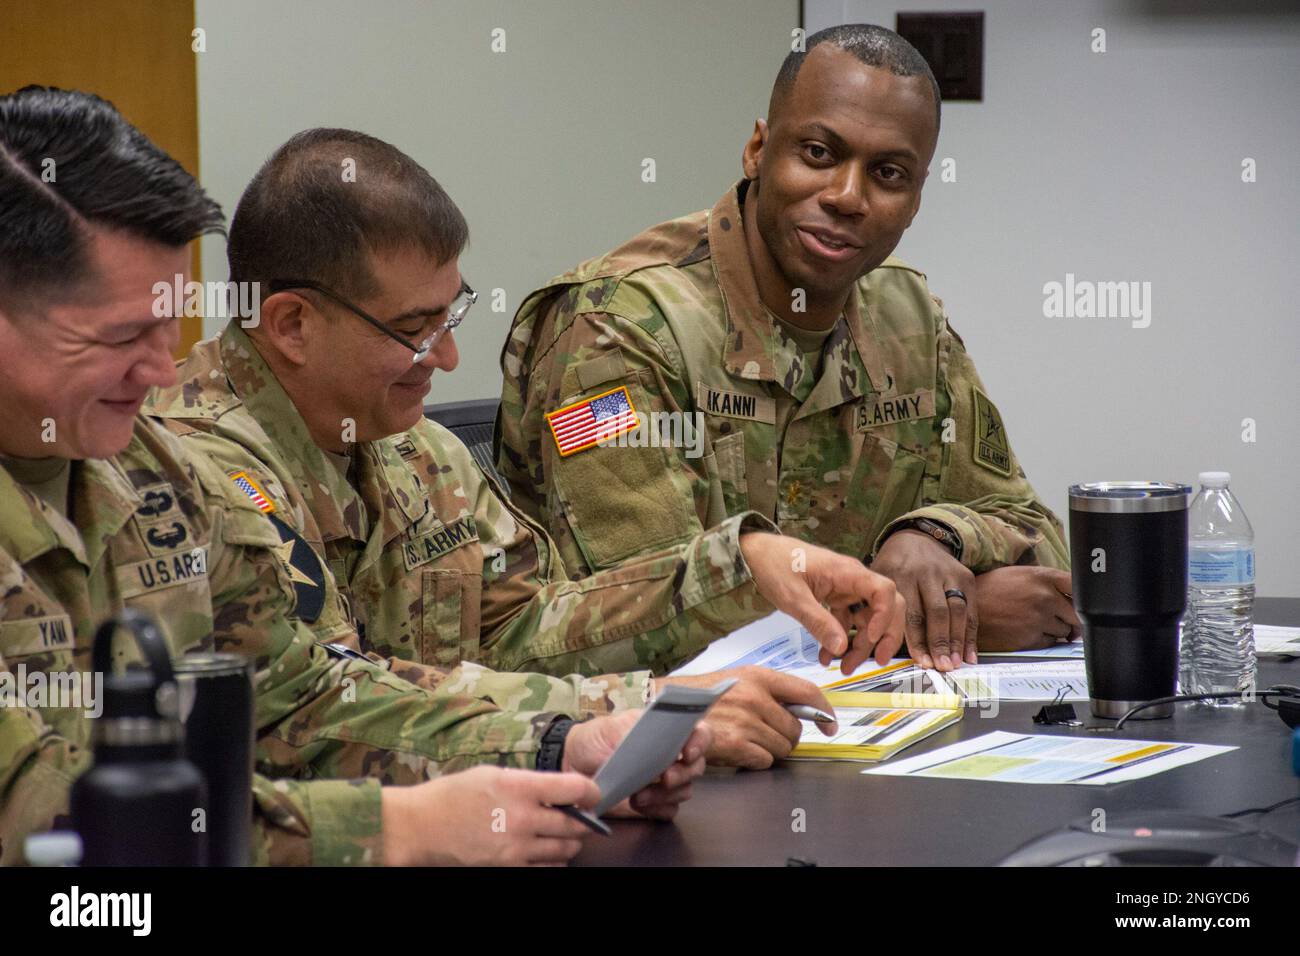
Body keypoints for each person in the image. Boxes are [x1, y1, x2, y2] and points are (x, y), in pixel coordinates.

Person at [0, 86, 706, 867]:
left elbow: (298, 699)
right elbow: (39, 817)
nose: (163, 365)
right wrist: (403, 830)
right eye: (124, 334)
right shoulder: (193, 447)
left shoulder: (152, 476)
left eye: (168, 322)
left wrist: (554, 746)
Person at [146, 127, 908, 769]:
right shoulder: (189, 474)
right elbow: (316, 710)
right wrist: (633, 713)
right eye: (413, 331)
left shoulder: (420, 451)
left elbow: (522, 631)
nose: (445, 360)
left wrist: (739, 569)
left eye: (452, 317)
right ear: (290, 325)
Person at [498, 23, 1079, 675]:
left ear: (915, 200)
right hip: (655, 743)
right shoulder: (617, 325)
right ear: (757, 150)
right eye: (818, 153)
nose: (847, 197)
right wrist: (932, 617)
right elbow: (652, 614)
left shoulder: (910, 318)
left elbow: (1037, 536)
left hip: (853, 730)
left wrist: (932, 537)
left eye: (888, 173)